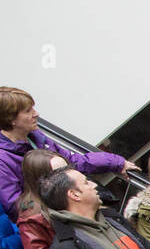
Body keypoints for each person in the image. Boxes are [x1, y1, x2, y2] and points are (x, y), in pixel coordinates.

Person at [0, 87, 134, 217]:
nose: (36, 113)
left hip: (78, 204)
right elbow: (15, 206)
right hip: (60, 219)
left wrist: (116, 162)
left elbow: (72, 162)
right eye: (28, 111)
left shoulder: (35, 136)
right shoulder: (3, 159)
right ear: (10, 119)